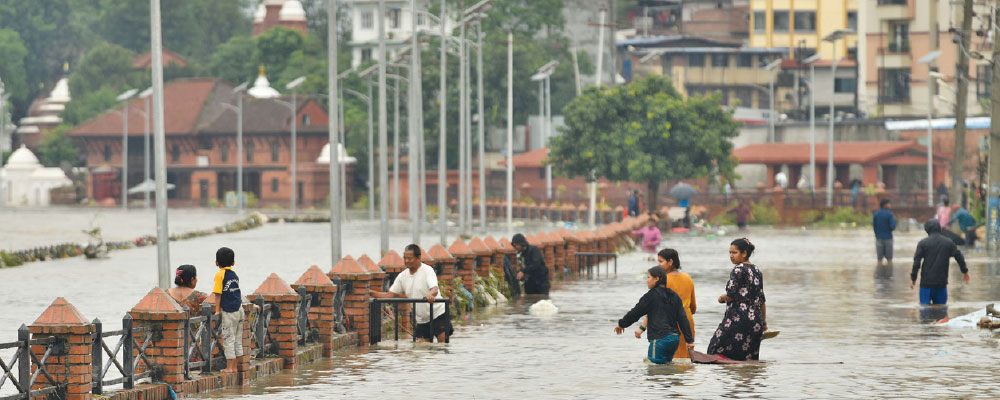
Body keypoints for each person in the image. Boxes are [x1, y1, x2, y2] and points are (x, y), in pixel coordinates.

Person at [370, 244, 453, 343]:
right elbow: (390, 295)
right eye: (405, 258)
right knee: (421, 350)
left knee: (442, 346)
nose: (407, 261)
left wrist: (430, 295)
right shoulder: (402, 276)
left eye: (410, 258)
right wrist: (371, 293)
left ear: (418, 258)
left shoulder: (427, 270)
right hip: (422, 319)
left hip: (438, 314)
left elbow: (434, 289)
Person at [614, 266, 694, 364]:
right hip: (674, 339)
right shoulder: (674, 296)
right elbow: (683, 318)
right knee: (667, 370)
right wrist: (689, 340)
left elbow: (635, 313)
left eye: (648, 277)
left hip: (660, 338)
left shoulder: (651, 296)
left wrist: (622, 324)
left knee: (654, 370)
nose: (647, 280)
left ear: (656, 279)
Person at [707, 238, 766, 361]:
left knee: (714, 350)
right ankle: (745, 379)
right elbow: (762, 300)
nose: (731, 256)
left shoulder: (739, 269)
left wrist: (721, 298)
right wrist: (764, 323)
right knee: (747, 357)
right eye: (730, 253)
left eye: (734, 253)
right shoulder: (757, 270)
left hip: (738, 319)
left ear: (744, 253)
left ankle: (730, 379)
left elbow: (731, 295)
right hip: (755, 321)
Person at [638, 249, 696, 359]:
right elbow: (693, 307)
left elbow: (654, 308)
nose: (658, 264)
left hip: (668, 326)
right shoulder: (688, 278)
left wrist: (642, 327)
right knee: (685, 359)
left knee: (665, 360)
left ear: (670, 262)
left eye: (661, 261)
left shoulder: (663, 282)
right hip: (687, 323)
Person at [910, 219, 970, 305]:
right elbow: (959, 257)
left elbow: (916, 262)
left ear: (927, 230)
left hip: (926, 284)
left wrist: (913, 279)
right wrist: (965, 271)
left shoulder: (923, 243)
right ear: (939, 229)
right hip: (941, 284)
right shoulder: (949, 243)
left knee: (924, 312)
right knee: (941, 312)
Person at [213, 247, 243, 374]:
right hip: (239, 309)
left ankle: (230, 368)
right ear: (233, 262)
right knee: (237, 340)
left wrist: (217, 310)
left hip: (229, 312)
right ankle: (237, 367)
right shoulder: (234, 275)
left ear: (217, 263)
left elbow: (218, 294)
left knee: (228, 339)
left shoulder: (220, 275)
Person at [872, 199, 897, 267]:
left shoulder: (876, 214)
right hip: (888, 238)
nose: (890, 205)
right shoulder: (889, 214)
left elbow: (874, 226)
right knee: (889, 259)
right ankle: (889, 275)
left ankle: (879, 274)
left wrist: (877, 234)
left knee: (879, 259)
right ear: (885, 205)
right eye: (889, 204)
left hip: (879, 238)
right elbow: (893, 226)